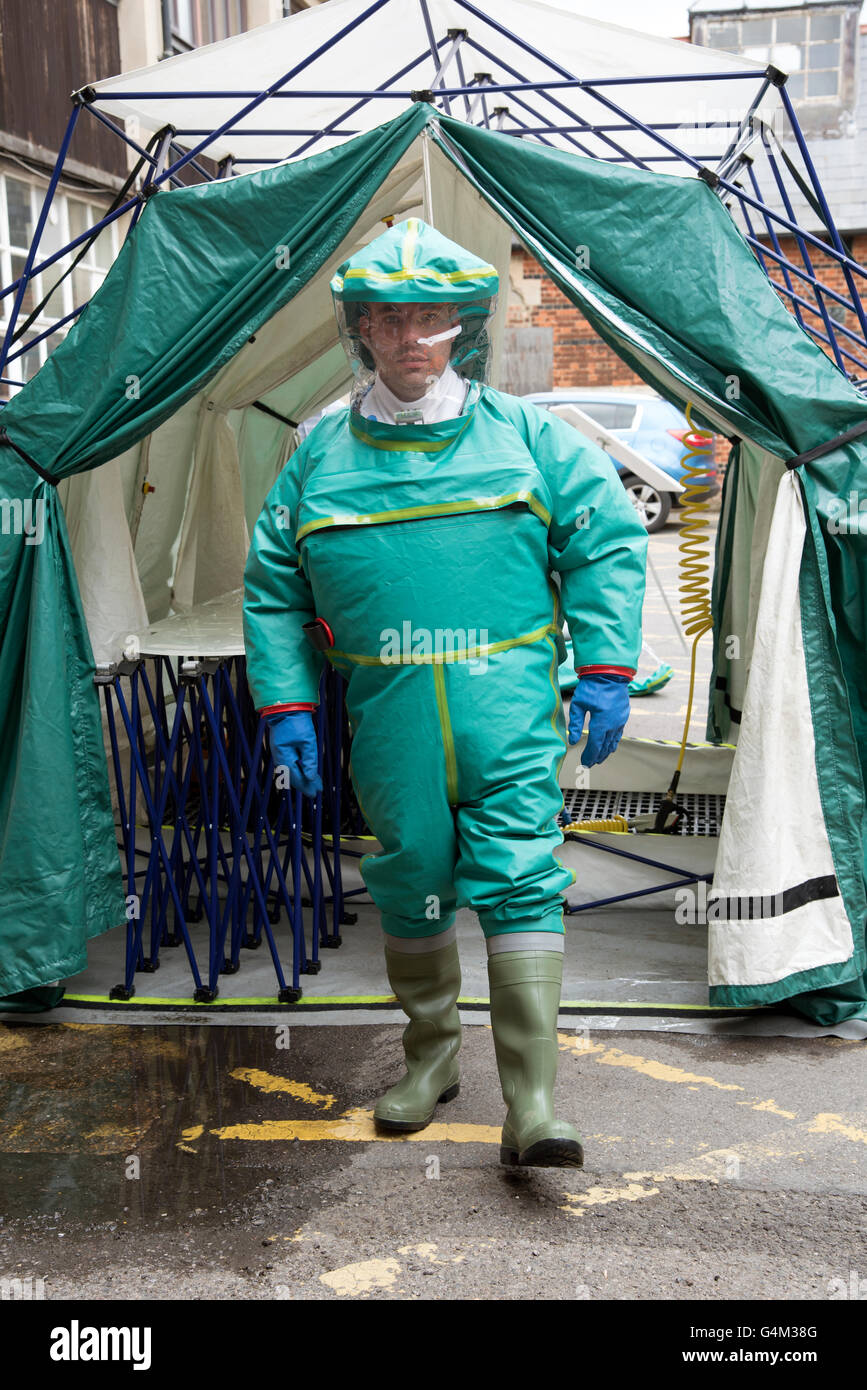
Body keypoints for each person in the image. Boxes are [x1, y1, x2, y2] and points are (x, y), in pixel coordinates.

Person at [243, 219, 647, 1168]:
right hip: (387, 723)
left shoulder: (531, 437)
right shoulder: (316, 454)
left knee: (518, 882)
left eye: (432, 320)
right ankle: (430, 1059)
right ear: (363, 333)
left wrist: (604, 665)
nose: (412, 339)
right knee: (412, 880)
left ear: (462, 328)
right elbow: (271, 586)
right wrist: (288, 705)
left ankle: (533, 1102)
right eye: (391, 321)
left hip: (504, 712)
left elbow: (606, 539)